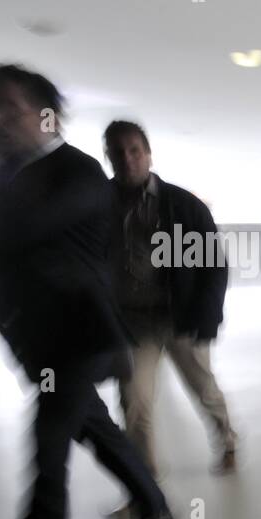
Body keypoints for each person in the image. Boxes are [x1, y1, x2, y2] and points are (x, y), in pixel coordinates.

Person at [0, 65, 172, 519]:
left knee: (46, 463)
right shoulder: (13, 173)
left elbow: (19, 230)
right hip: (41, 348)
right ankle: (157, 507)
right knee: (99, 432)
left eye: (10, 108)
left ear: (46, 114)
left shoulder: (78, 173)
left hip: (77, 344)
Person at [103, 120, 238, 477]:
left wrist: (207, 318)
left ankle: (227, 442)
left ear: (148, 154)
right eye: (118, 152)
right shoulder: (98, 206)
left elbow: (213, 265)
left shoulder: (182, 205)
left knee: (203, 388)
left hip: (181, 318)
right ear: (108, 157)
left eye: (134, 150)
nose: (127, 159)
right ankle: (145, 485)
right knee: (135, 403)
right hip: (133, 324)